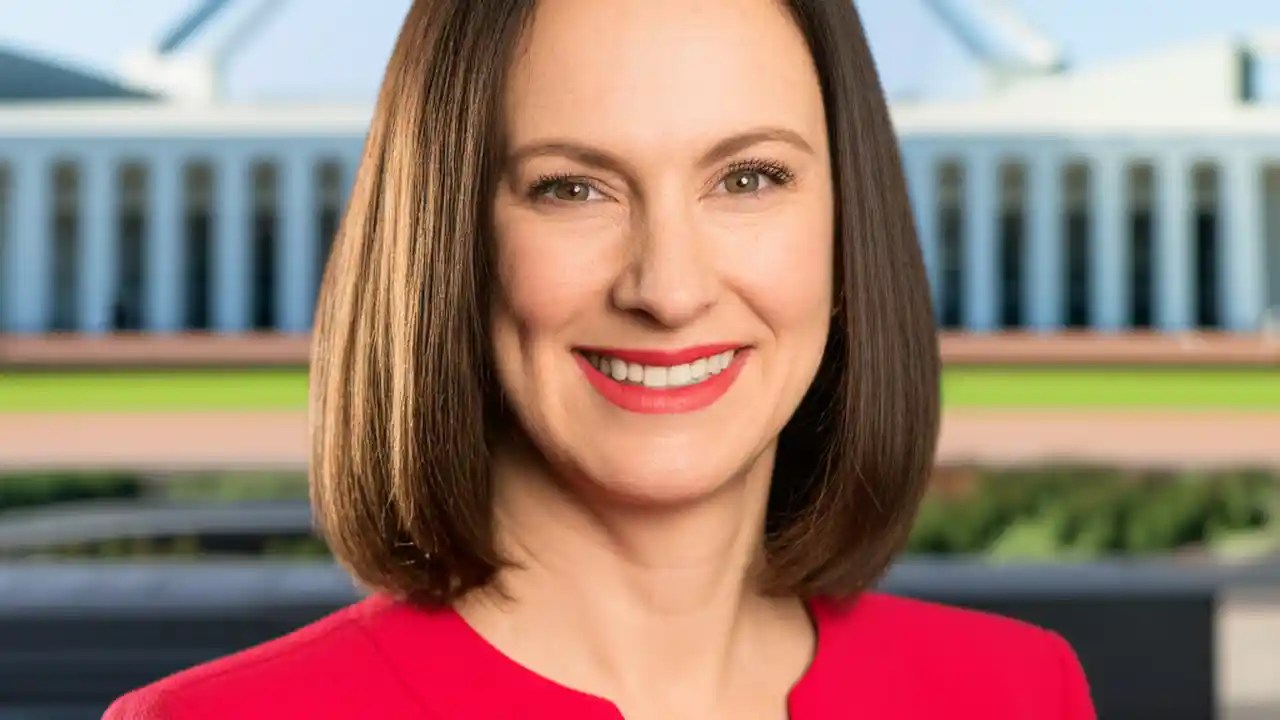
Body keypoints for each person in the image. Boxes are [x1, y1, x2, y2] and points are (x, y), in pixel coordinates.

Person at [104, 0, 1096, 718]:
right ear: (450, 241)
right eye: (572, 189)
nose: (666, 289)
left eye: (747, 178)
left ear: (845, 224)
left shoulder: (1012, 691)